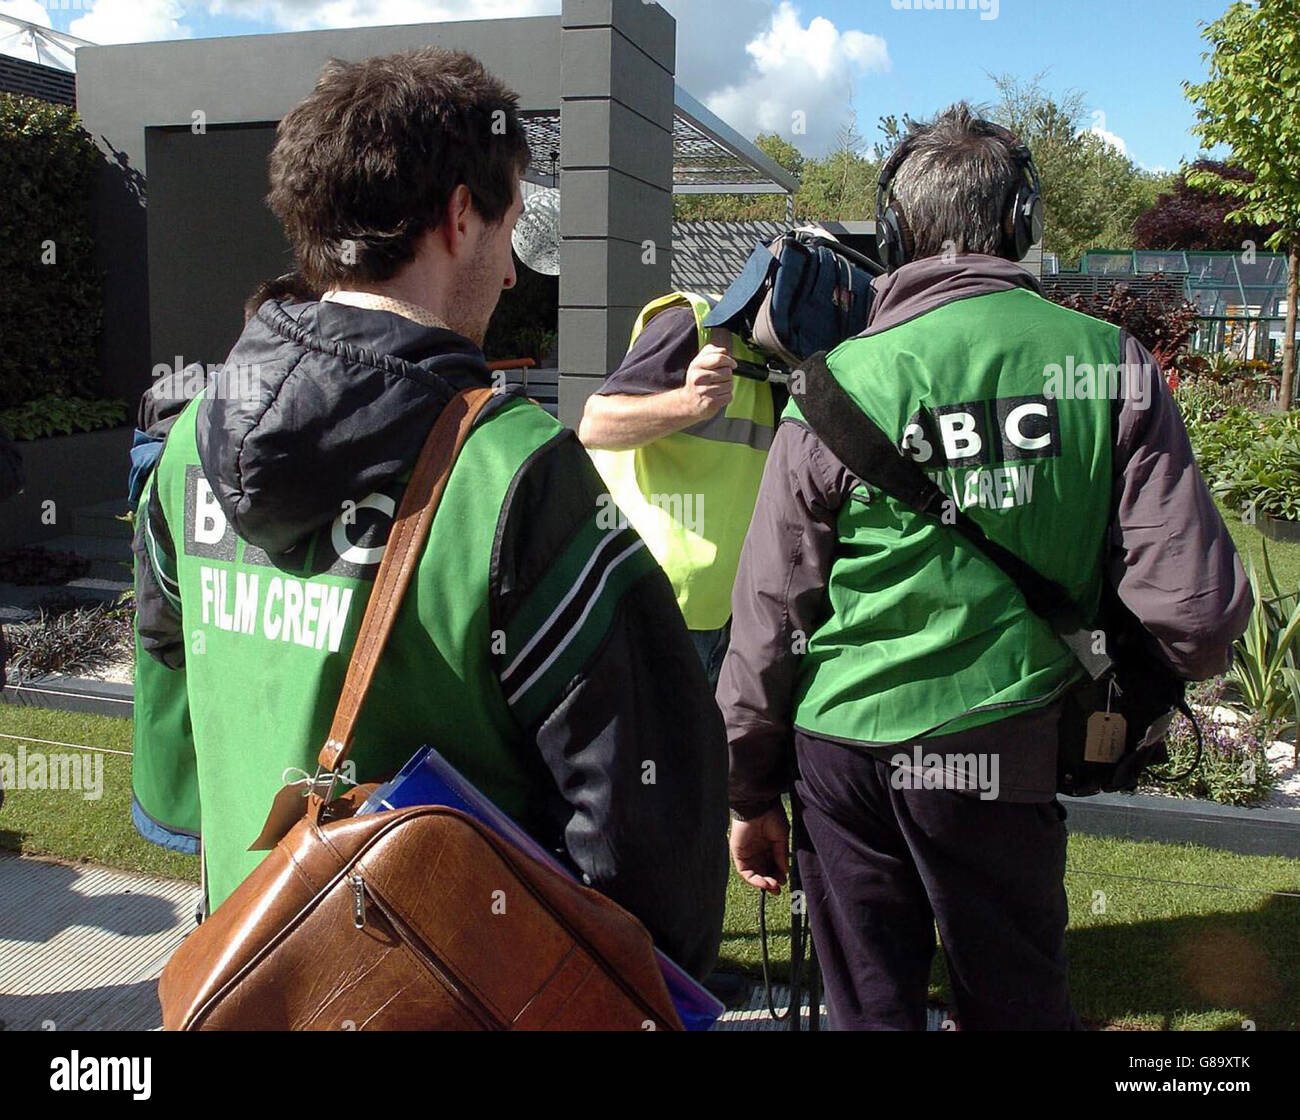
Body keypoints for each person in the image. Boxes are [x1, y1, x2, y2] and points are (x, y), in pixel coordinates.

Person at [133, 47, 727, 978]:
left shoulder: (182, 447)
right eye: (514, 230)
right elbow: (650, 830)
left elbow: (169, 706)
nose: (515, 277)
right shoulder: (517, 472)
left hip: (247, 971)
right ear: (460, 215)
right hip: (438, 990)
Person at [720, 104, 1253, 1029]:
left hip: (840, 756)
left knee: (871, 1009)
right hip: (998, 747)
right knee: (1013, 1002)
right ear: (1021, 226)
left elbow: (771, 611)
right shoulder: (1108, 363)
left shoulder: (835, 379)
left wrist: (746, 788)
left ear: (896, 235)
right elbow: (1198, 617)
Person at [130, 272, 319, 860]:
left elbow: (160, 616)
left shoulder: (179, 442)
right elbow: (162, 625)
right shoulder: (277, 456)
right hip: (224, 747)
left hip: (210, 747)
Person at [578, 285, 780, 686]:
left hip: (725, 612)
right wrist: (687, 403)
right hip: (653, 606)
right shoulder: (694, 324)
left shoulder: (780, 361)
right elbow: (594, 424)